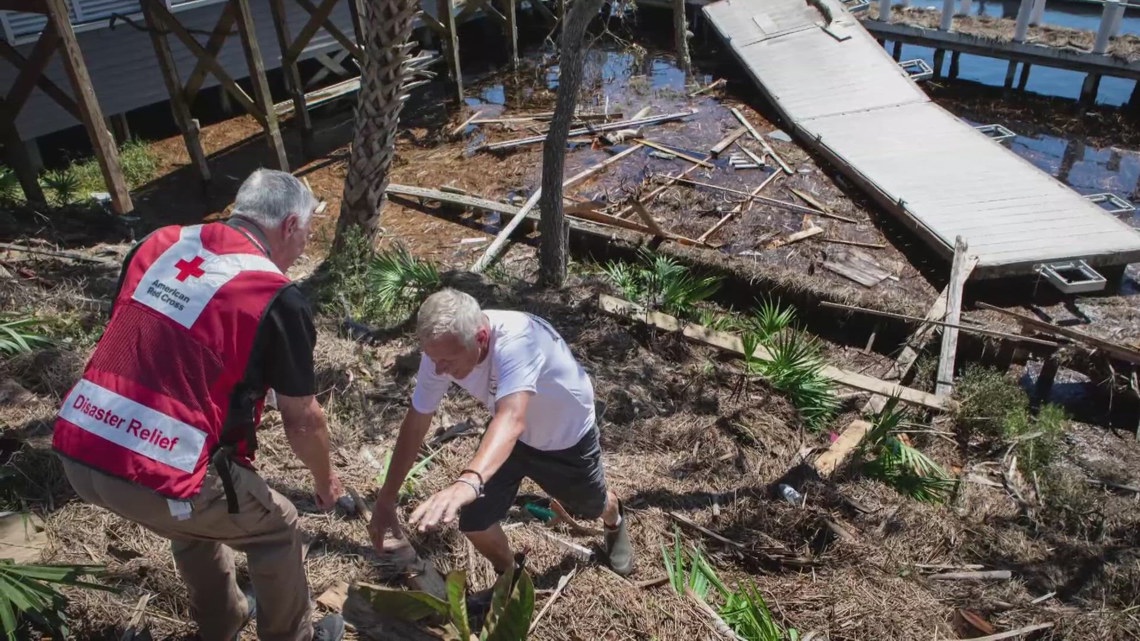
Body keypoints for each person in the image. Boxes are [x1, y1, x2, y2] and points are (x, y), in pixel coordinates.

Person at [52, 169, 345, 641]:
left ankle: (222, 619)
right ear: (290, 225)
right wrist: (325, 481)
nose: (307, 244)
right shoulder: (277, 296)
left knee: (194, 515)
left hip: (79, 445)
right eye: (309, 229)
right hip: (150, 475)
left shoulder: (160, 243)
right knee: (278, 527)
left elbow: (130, 334)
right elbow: (303, 420)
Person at [367, 288, 634, 578]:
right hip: (509, 439)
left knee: (591, 505)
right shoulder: (440, 353)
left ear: (481, 338)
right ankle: (512, 577)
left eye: (448, 361)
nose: (439, 370)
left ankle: (613, 515)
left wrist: (468, 481)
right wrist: (385, 500)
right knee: (475, 523)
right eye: (434, 360)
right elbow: (418, 420)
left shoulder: (519, 341)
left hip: (565, 438)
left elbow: (512, 417)